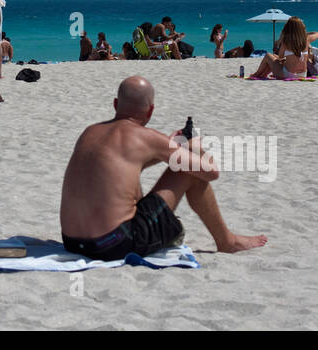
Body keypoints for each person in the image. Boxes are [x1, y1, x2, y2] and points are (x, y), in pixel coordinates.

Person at [60, 75, 266, 259]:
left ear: (115, 104)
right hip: (113, 244)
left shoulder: (90, 132)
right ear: (150, 110)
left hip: (73, 243)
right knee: (189, 172)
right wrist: (196, 149)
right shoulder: (147, 137)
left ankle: (225, 240)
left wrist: (165, 146)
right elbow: (211, 173)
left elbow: (125, 168)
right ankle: (227, 242)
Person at [246, 17, 312, 80]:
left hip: (288, 75)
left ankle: (256, 74)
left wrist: (282, 59)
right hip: (303, 74)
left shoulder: (286, 42)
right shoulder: (306, 40)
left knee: (268, 55)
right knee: (274, 57)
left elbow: (280, 57)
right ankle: (264, 74)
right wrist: (301, 33)